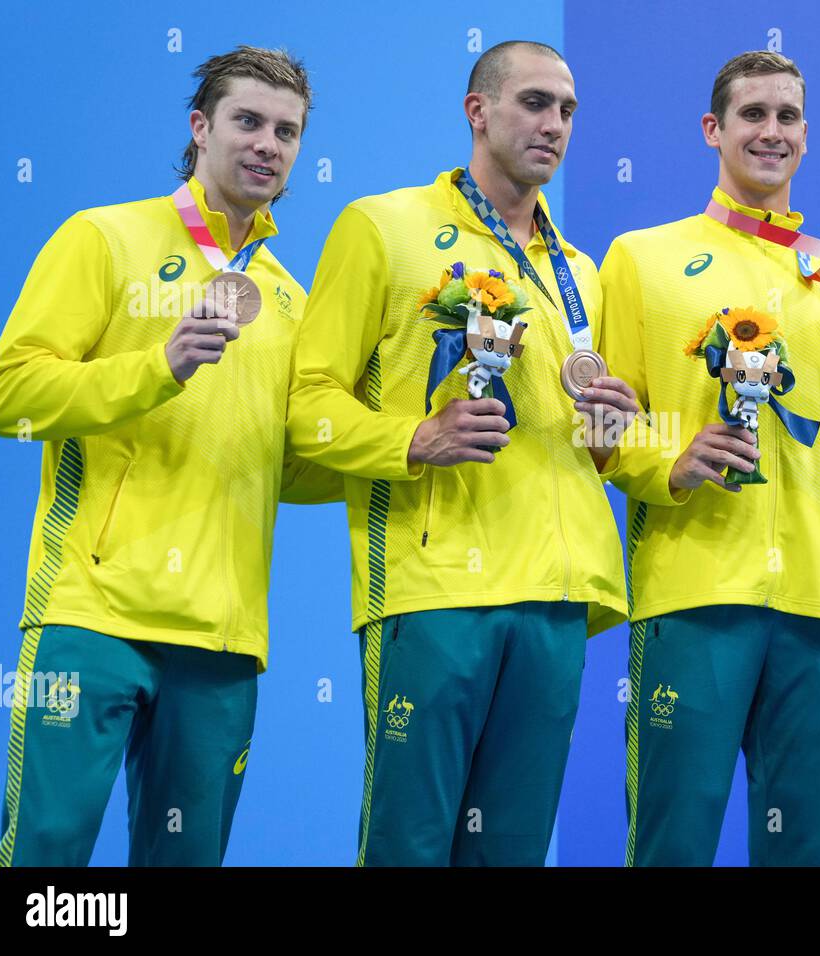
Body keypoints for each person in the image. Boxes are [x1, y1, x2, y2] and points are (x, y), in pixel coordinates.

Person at [0, 46, 336, 866]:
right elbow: (9, 395)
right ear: (200, 128)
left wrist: (416, 448)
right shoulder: (104, 237)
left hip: (221, 638)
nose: (267, 145)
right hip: (91, 613)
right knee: (44, 857)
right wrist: (156, 368)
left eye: (286, 132)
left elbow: (283, 466)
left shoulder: (287, 297)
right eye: (247, 121)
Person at [285, 40, 633, 866]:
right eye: (535, 103)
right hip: (435, 589)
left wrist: (609, 436)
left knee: (509, 852)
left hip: (557, 597)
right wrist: (414, 437)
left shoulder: (578, 270)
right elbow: (306, 407)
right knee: (409, 846)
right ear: (477, 110)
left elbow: (585, 450)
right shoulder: (383, 227)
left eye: (568, 111)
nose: (555, 124)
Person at [597, 50, 820, 866]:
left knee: (803, 851)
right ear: (714, 130)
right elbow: (597, 428)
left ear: (807, 137)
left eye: (786, 117)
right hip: (694, 590)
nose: (770, 132)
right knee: (671, 845)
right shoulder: (643, 256)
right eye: (752, 115)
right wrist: (669, 461)